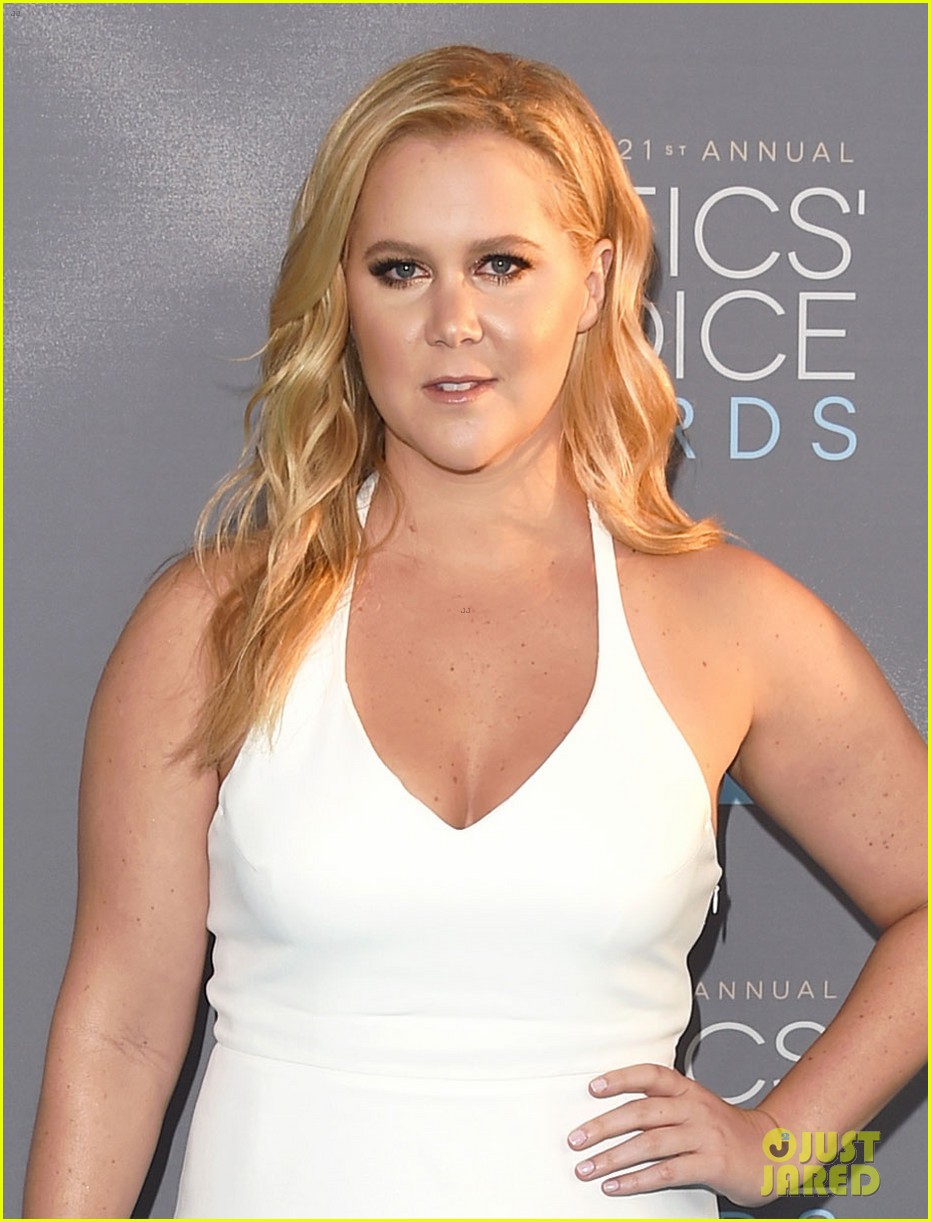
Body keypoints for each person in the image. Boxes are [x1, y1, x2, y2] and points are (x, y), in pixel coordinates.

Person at [23, 44, 925, 1221]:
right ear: (342, 293)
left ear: (593, 282)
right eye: (401, 269)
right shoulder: (211, 625)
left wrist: (783, 1149)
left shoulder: (726, 621)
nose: (453, 321)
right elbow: (121, 1033)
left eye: (501, 264)